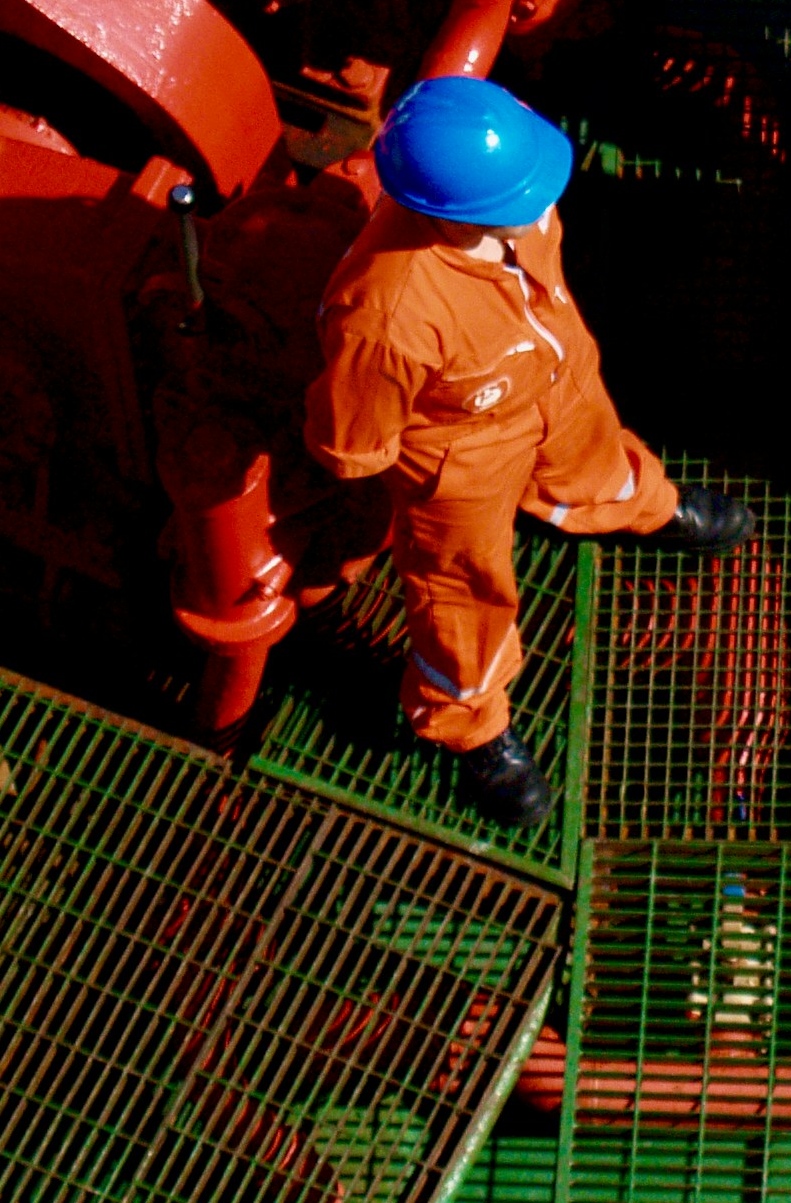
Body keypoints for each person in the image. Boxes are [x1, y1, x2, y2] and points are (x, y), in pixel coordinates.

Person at [306, 74, 753, 827]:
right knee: (462, 591)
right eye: (523, 197)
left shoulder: (518, 204)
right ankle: (472, 724)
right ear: (447, 214)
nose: (543, 203)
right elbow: (352, 445)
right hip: (460, 459)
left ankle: (644, 506)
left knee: (598, 457)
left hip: (553, 383)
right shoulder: (385, 317)